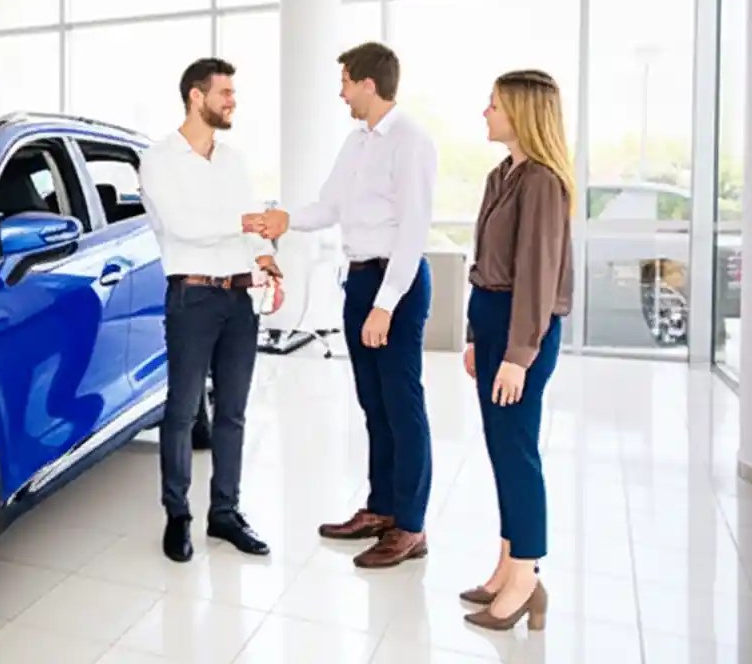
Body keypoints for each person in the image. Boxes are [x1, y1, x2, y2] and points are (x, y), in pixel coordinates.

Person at [255, 41, 437, 568]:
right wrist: (287, 220)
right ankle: (382, 508)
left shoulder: (411, 141)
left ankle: (411, 526)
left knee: (403, 405)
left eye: (345, 83)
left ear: (368, 84)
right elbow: (328, 206)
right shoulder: (356, 143)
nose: (341, 93)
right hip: (358, 281)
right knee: (373, 403)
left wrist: (386, 304)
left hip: (395, 284)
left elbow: (414, 229)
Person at [139, 57, 281, 563]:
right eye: (225, 93)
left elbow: (251, 228)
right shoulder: (158, 160)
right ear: (196, 97)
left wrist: (266, 259)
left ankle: (225, 512)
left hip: (240, 297)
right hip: (192, 297)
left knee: (234, 412)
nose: (232, 102)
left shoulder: (235, 160)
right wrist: (243, 221)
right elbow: (183, 226)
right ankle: (178, 515)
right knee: (181, 412)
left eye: (233, 94)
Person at [459, 69, 574, 631]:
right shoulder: (501, 175)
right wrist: (474, 334)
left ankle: (527, 577)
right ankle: (508, 564)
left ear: (522, 113)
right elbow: (485, 262)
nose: (485, 112)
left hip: (520, 328)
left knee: (518, 452)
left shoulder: (543, 183)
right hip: (492, 320)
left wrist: (517, 354)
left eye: (495, 104)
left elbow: (537, 276)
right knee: (501, 448)